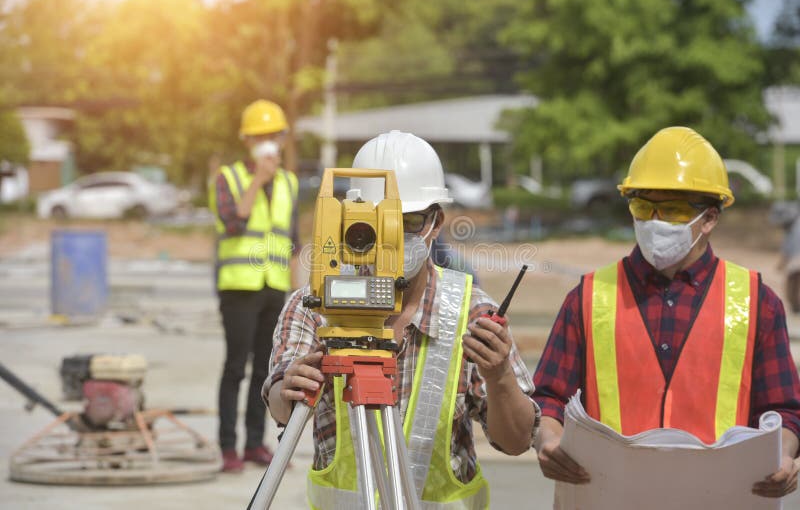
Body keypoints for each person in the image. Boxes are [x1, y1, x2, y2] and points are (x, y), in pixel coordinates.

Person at [263, 130, 539, 508]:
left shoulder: (472, 313)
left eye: (407, 221)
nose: (392, 236)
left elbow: (517, 440)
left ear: (436, 223)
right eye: (380, 221)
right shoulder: (315, 304)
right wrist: (288, 389)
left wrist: (500, 376)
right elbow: (281, 407)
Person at [532, 127, 800, 499]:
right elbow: (549, 399)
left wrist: (784, 456)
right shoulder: (588, 298)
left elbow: (784, 410)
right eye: (644, 206)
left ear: (709, 218)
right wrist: (548, 439)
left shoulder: (757, 303)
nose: (654, 220)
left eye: (672, 209)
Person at [210, 99, 300, 472]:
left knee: (266, 370)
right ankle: (228, 447)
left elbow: (292, 240)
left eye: (273, 136)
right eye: (260, 137)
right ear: (247, 141)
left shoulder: (290, 183)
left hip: (273, 286)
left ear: (281, 139)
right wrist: (258, 180)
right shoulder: (228, 178)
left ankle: (254, 444)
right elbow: (234, 223)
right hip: (238, 287)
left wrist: (300, 294)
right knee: (235, 367)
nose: (267, 143)